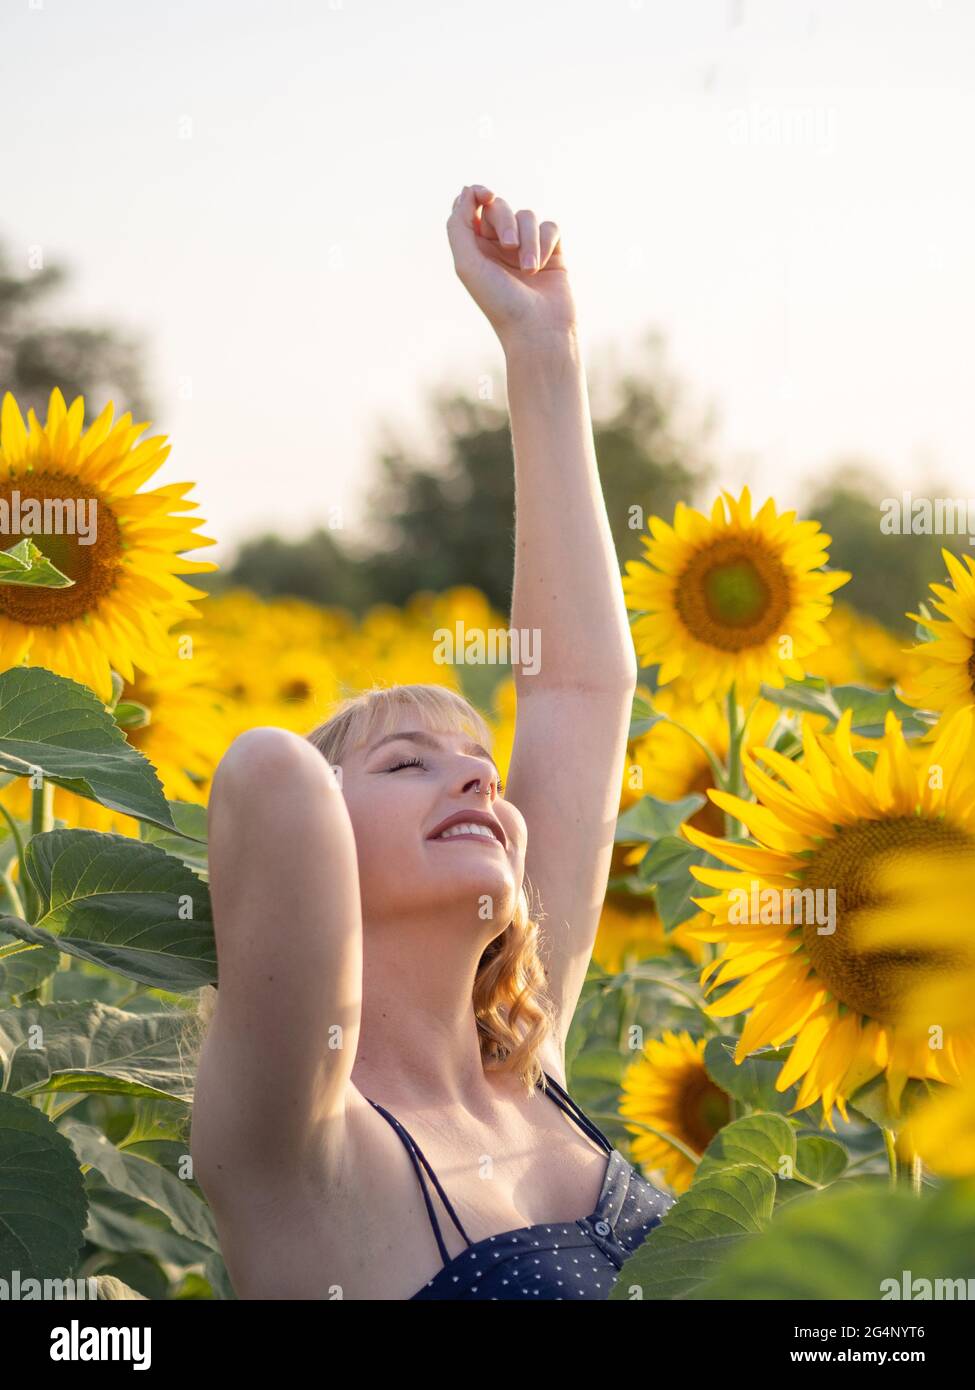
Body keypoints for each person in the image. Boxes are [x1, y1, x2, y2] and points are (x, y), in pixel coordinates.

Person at [190, 185, 674, 1300]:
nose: (474, 771)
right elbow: (266, 773)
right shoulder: (302, 1144)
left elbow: (578, 689)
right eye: (406, 764)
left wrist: (543, 347)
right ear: (317, 852)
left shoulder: (532, 1064)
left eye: (486, 775)